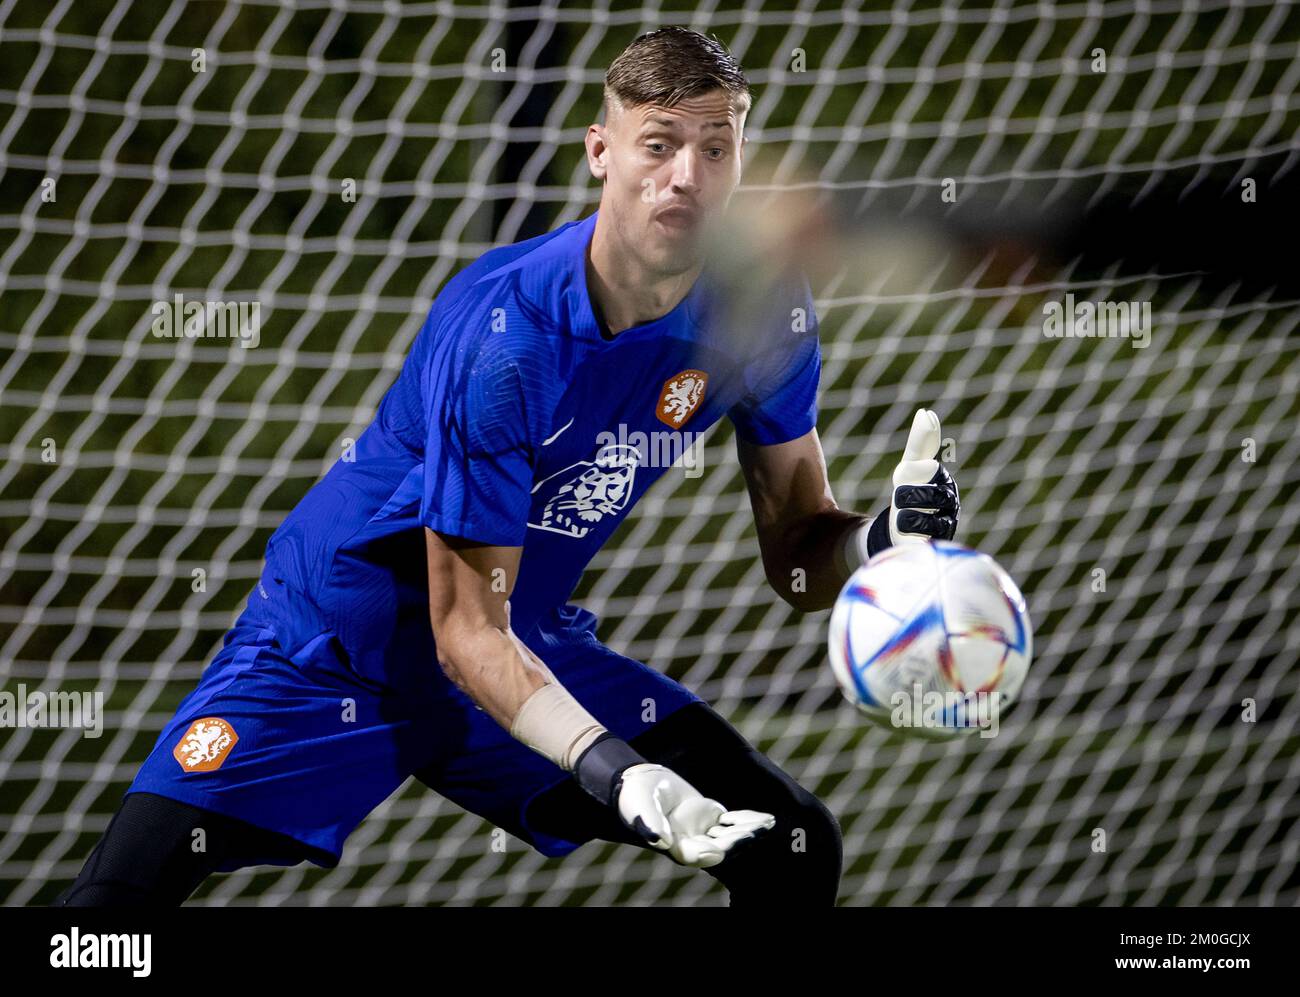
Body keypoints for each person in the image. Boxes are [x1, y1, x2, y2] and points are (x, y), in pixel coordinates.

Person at [57, 26, 958, 907]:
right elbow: (460, 633)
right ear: (600, 152)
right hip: (337, 649)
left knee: (793, 842)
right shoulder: (508, 335)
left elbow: (797, 558)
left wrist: (880, 541)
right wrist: (618, 771)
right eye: (658, 144)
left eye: (715, 147)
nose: (686, 175)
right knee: (115, 907)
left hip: (520, 643)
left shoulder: (761, 312)